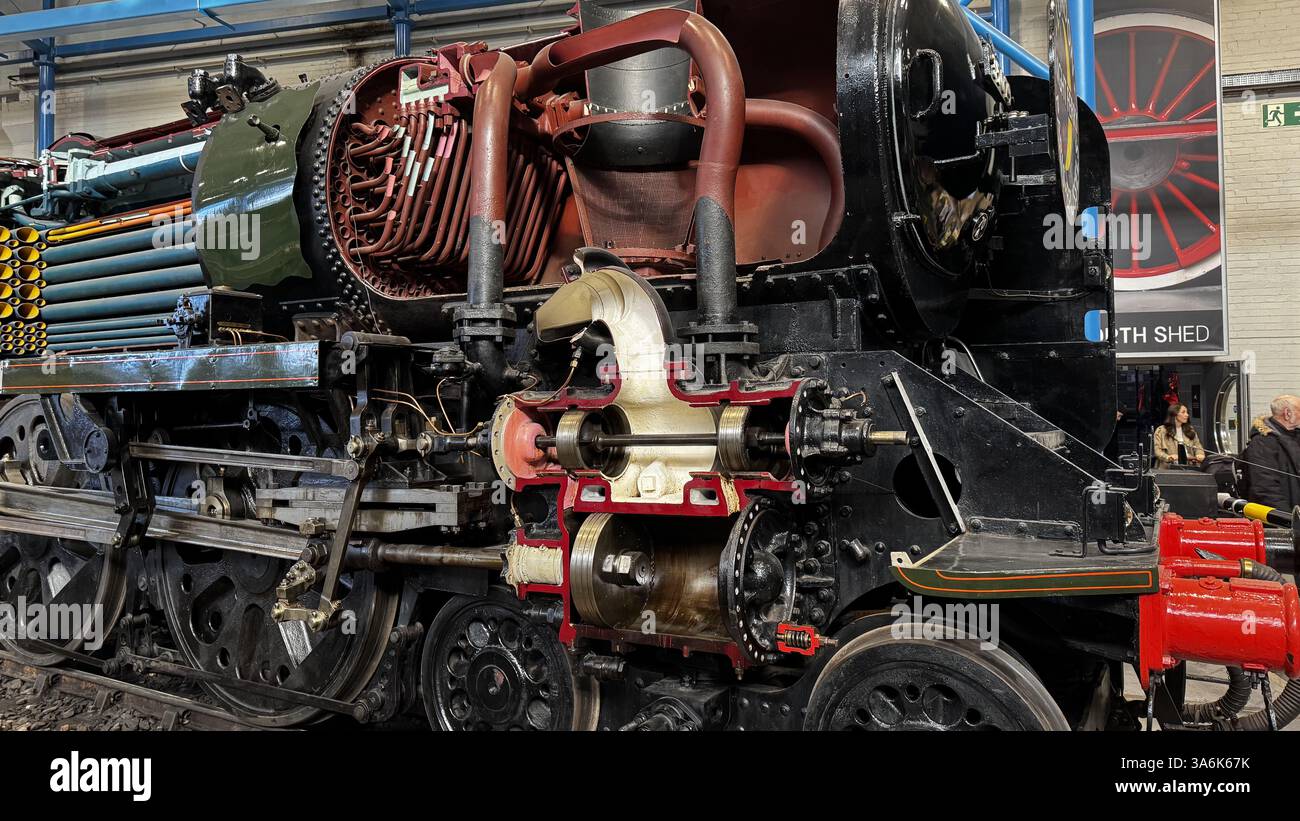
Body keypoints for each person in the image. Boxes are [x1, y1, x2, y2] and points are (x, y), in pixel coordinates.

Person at [1241, 395, 1300, 510]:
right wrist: (1286, 516)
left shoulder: (1295, 436)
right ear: (1288, 414)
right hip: (1283, 515)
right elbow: (1265, 487)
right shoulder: (1262, 442)